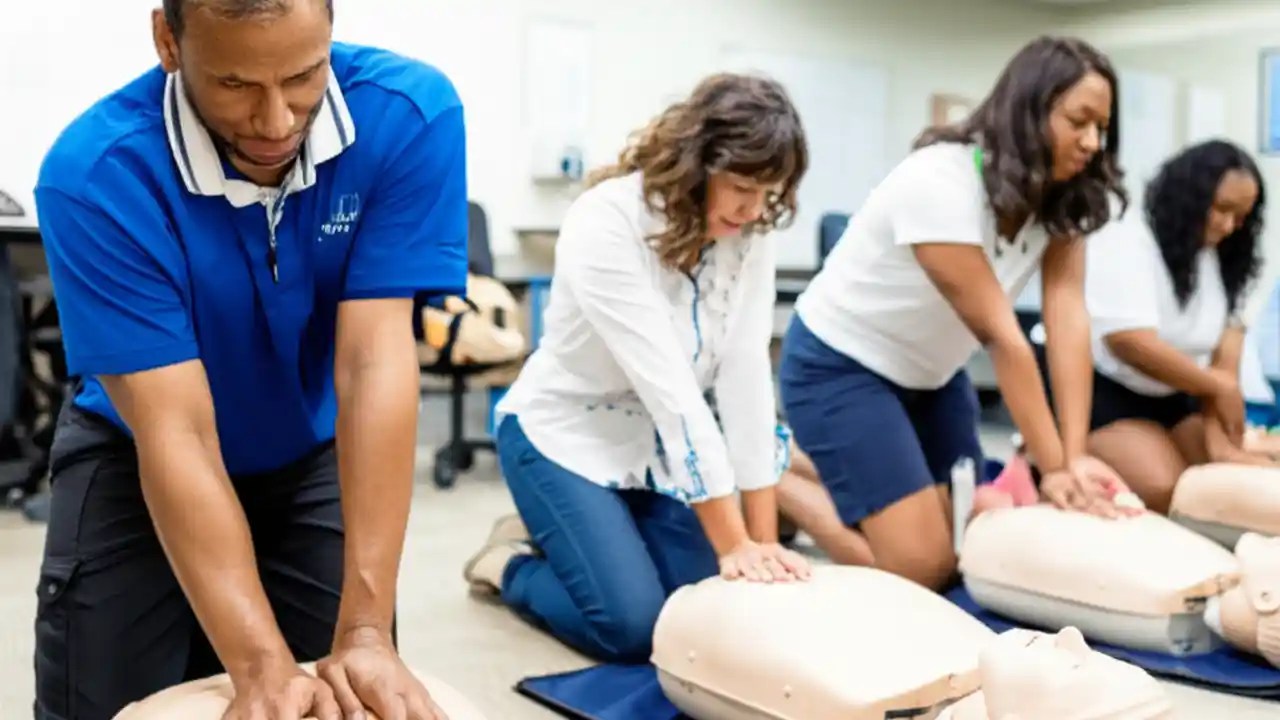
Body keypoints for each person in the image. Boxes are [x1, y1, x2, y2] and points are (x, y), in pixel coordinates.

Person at [32, 1, 467, 718]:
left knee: (353, 691)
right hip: (136, 451)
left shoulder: (407, 117)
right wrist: (259, 663)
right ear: (168, 41)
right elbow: (178, 430)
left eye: (304, 77)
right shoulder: (96, 175)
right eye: (235, 85)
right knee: (102, 702)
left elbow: (372, 367)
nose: (274, 122)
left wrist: (365, 627)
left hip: (308, 447)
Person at [462, 73, 812, 663]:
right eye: (742, 185)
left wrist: (761, 545)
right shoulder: (607, 221)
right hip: (559, 438)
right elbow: (675, 396)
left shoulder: (747, 233)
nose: (753, 208)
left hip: (647, 452)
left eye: (768, 191)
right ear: (698, 162)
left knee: (702, 597)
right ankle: (511, 565)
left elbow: (747, 376)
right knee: (631, 624)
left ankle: (578, 543)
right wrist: (733, 545)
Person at [777, 35, 1132, 592]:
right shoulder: (940, 182)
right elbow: (1003, 338)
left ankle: (829, 470)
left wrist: (1077, 454)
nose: (1092, 142)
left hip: (931, 378)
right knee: (922, 568)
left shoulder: (1063, 199)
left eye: (1102, 128)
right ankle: (773, 473)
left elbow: (1067, 325)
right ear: (1030, 111)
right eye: (1078, 120)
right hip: (840, 368)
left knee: (975, 528)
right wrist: (1054, 468)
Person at [1083, 140, 1271, 514]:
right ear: (1189, 197)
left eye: (1241, 216)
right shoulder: (1129, 236)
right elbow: (1129, 343)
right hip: (1111, 394)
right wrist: (1217, 386)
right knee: (1167, 487)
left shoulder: (1225, 257)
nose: (1228, 225)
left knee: (1228, 480)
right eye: (1221, 209)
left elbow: (1225, 359)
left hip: (1178, 396)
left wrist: (1221, 446)